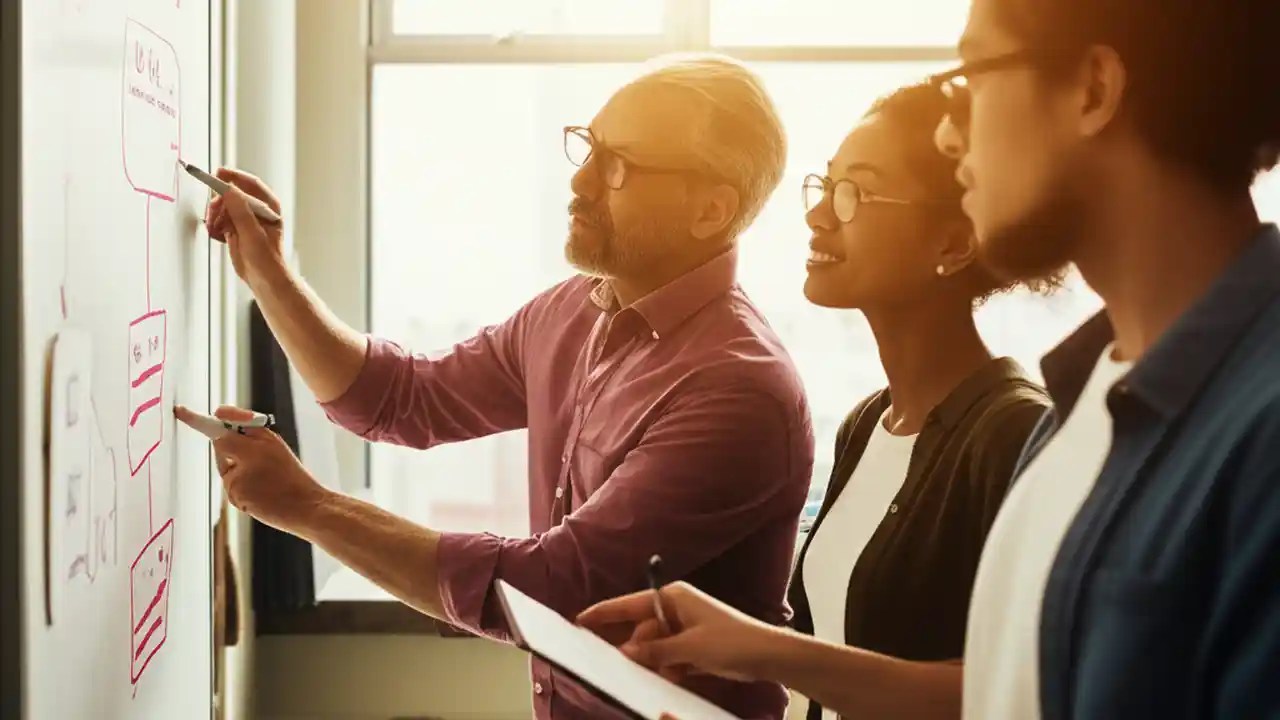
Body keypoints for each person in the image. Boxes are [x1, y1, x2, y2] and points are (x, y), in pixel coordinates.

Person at [579, 0, 1280, 718]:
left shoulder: (1256, 437)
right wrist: (753, 650)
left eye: (972, 78)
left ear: (1094, 89)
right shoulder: (1081, 410)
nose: (951, 133)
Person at [188, 54, 815, 720]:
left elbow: (553, 591)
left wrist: (309, 508)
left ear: (710, 210)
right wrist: (268, 274)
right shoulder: (573, 312)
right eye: (588, 149)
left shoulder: (739, 392)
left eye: (619, 166)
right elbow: (398, 399)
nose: (579, 183)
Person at [791, 82, 1049, 720]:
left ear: (954, 243)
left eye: (855, 191)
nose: (819, 214)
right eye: (824, 184)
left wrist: (755, 652)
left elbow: (1019, 685)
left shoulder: (1014, 431)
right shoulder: (866, 423)